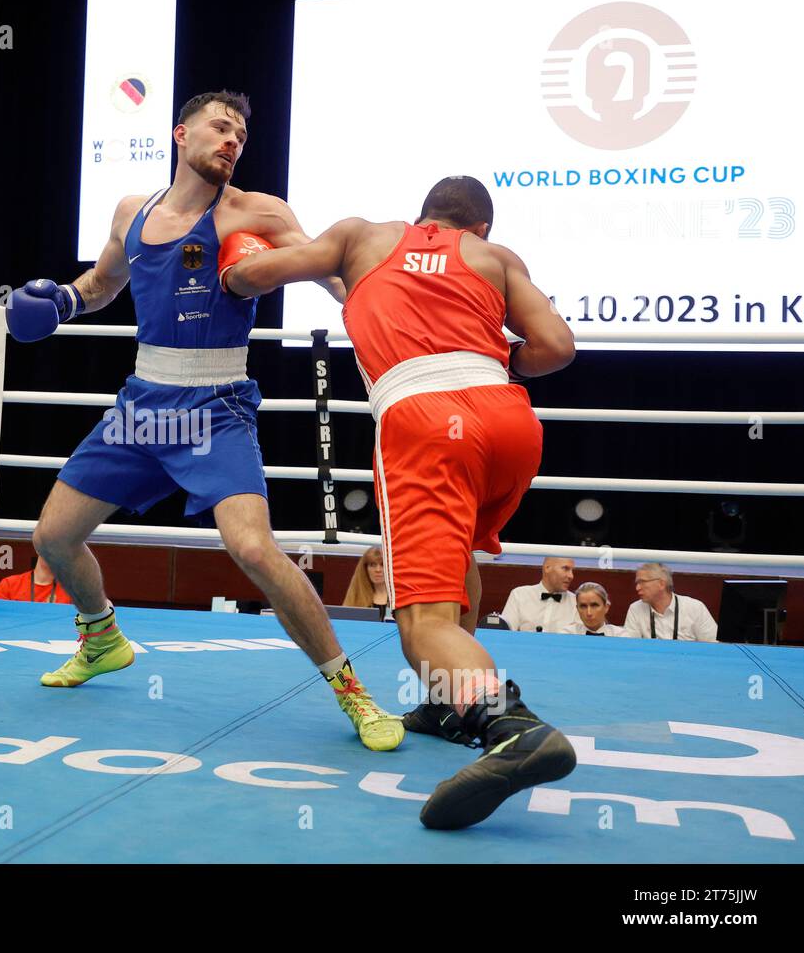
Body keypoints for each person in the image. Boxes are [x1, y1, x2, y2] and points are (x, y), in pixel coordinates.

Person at [4, 90, 403, 752]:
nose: (232, 141)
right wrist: (64, 302)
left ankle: (352, 692)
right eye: (221, 127)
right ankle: (101, 635)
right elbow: (104, 284)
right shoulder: (133, 210)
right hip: (142, 406)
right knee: (52, 538)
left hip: (215, 407)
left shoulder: (258, 212)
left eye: (240, 135)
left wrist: (384, 308)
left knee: (252, 548)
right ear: (179, 133)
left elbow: (329, 273)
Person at [222, 175, 578, 829]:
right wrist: (497, 361)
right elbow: (556, 347)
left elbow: (252, 276)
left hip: (425, 422)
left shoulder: (364, 235)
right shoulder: (496, 260)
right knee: (459, 555)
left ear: (424, 214)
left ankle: (509, 724)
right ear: (480, 229)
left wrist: (232, 256)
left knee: (422, 623)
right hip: (509, 420)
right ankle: (449, 705)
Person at [623, 562, 718, 641]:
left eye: (642, 582)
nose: (637, 588)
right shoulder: (635, 609)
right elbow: (630, 647)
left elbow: (715, 645)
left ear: (661, 584)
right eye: (637, 583)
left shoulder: (695, 608)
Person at [500, 557, 580, 633]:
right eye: (565, 569)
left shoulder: (576, 602)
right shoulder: (519, 595)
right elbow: (505, 634)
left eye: (572, 571)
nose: (571, 576)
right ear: (547, 568)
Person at [0, 556, 64, 603]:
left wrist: (56, 614)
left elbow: (76, 625)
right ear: (38, 548)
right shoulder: (9, 585)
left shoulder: (72, 592)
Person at [342, 545, 390, 612]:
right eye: (373, 565)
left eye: (383, 565)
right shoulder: (355, 598)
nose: (378, 570)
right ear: (365, 569)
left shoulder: (400, 599)